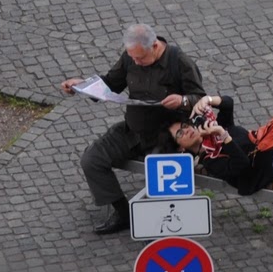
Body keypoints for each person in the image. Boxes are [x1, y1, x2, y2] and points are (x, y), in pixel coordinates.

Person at [61, 24, 206, 235]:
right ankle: (123, 213)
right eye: (133, 58)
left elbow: (201, 99)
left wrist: (183, 101)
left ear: (155, 46)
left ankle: (162, 223)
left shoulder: (180, 62)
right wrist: (82, 86)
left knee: (159, 177)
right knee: (92, 159)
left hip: (167, 137)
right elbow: (112, 83)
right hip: (133, 130)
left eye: (140, 58)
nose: (135, 62)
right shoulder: (131, 56)